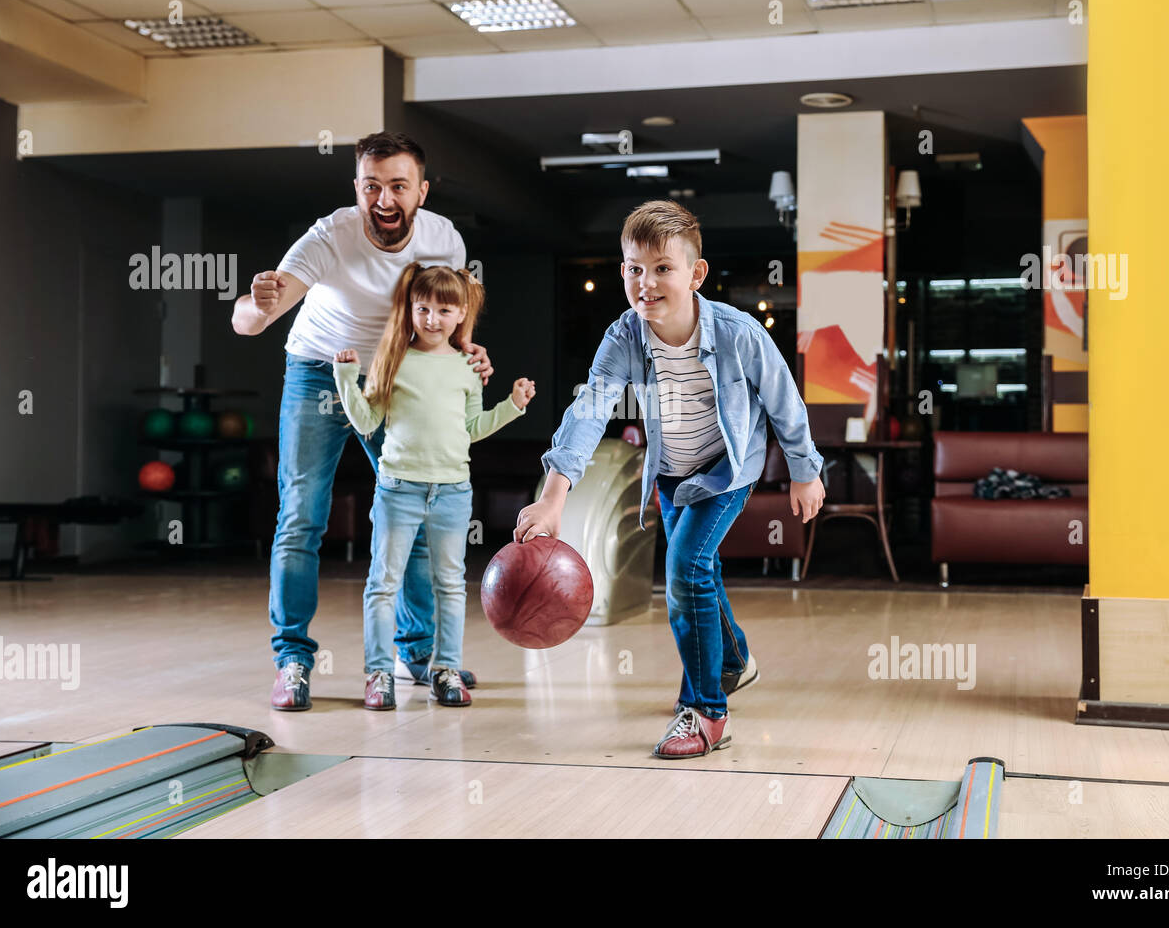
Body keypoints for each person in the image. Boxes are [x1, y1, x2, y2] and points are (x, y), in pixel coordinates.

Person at [514, 200, 824, 759]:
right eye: (634, 268)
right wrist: (552, 498)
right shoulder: (623, 338)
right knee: (697, 567)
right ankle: (732, 661)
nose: (645, 282)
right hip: (671, 475)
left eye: (662, 268)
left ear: (695, 274)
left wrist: (804, 472)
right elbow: (590, 411)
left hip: (727, 472)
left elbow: (785, 401)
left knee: (685, 567)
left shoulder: (737, 333)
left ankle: (706, 711)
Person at [231, 131, 493, 711]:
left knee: (419, 508)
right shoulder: (330, 236)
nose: (384, 198)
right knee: (302, 515)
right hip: (320, 373)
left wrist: (467, 350)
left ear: (421, 191)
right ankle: (293, 661)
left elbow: (446, 311)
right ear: (357, 188)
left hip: (395, 375)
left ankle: (416, 656)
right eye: (372, 185)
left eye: (398, 185)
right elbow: (250, 322)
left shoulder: (443, 239)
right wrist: (257, 300)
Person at [333, 264, 533, 709]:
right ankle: (379, 674)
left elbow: (471, 428)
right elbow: (366, 422)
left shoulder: (467, 366)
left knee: (450, 585)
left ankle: (445, 669)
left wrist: (512, 406)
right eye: (422, 308)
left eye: (444, 309)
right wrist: (346, 378)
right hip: (397, 490)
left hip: (451, 494)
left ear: (461, 312)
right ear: (410, 309)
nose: (431, 319)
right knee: (383, 584)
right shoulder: (394, 359)